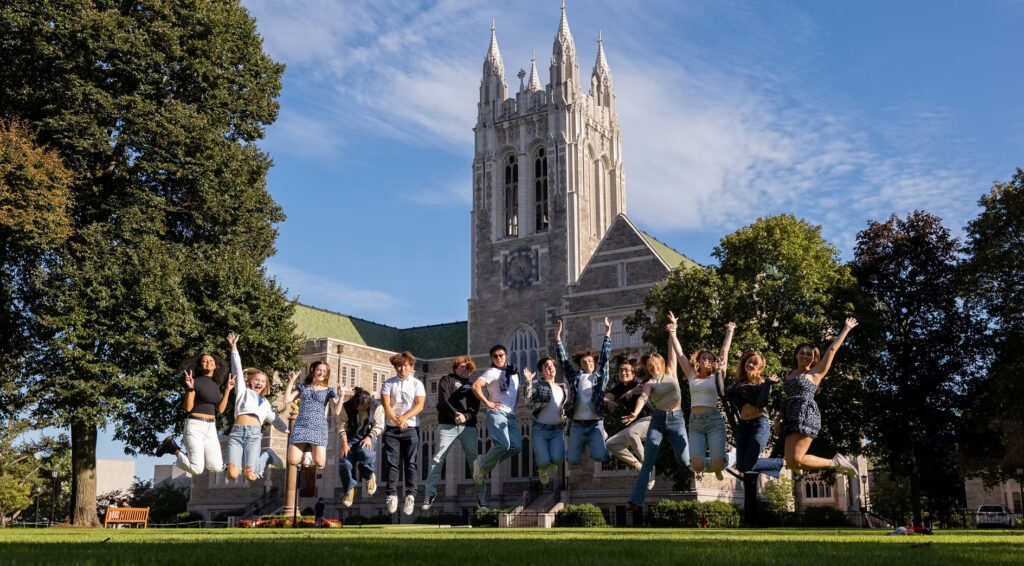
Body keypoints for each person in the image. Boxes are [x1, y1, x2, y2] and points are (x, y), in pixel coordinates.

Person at [622, 318, 693, 510]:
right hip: (658, 421)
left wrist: (672, 330)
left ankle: (720, 462)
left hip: (677, 421)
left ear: (661, 364)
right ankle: (635, 500)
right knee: (648, 461)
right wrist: (635, 413)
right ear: (648, 369)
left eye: (655, 365)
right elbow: (643, 397)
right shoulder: (649, 383)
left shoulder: (671, 371)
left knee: (685, 461)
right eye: (650, 366)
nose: (653, 368)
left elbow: (672, 352)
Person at [782, 317, 859, 477]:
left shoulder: (815, 373)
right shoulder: (789, 374)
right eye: (802, 353)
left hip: (804, 414)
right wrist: (778, 418)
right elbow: (787, 398)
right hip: (789, 416)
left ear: (814, 358)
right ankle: (803, 463)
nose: (805, 356)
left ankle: (835, 462)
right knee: (789, 462)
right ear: (796, 355)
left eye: (809, 354)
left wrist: (846, 329)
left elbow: (832, 350)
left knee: (796, 459)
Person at [666, 315, 737, 480]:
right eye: (703, 357)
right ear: (698, 360)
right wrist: (673, 331)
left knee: (717, 464)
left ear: (713, 362)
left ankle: (731, 456)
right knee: (696, 465)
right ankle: (717, 464)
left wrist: (730, 331)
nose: (706, 360)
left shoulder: (717, 375)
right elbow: (680, 354)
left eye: (710, 358)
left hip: (714, 421)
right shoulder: (691, 373)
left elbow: (724, 352)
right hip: (695, 422)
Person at [156, 346, 234, 476]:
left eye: (211, 360)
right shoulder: (195, 382)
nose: (208, 362)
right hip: (195, 426)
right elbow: (188, 408)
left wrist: (227, 390)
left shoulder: (217, 385)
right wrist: (190, 389)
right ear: (199, 366)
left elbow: (220, 409)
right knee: (197, 469)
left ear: (216, 366)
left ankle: (172, 448)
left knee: (216, 467)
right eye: (204, 361)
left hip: (211, 427)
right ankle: (173, 448)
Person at [422, 356, 484, 510]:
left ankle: (481, 496)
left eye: (468, 368)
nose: (465, 369)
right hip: (447, 425)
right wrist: (456, 414)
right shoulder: (446, 380)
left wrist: (465, 416)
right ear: (456, 367)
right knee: (437, 459)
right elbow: (443, 399)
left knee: (475, 462)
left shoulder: (473, 386)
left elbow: (475, 407)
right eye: (462, 366)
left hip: (468, 427)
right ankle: (430, 493)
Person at [223, 332, 287, 482]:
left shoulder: (265, 404)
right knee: (232, 474)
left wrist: (287, 430)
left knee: (251, 476)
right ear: (251, 382)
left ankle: (268, 456)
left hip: (254, 435)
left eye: (262, 381)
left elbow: (275, 419)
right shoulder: (243, 392)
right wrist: (234, 348)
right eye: (257, 380)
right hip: (237, 433)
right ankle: (230, 467)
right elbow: (237, 369)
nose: (259, 382)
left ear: (265, 385)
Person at [556, 318, 612, 467]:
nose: (588, 364)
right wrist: (558, 339)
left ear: (594, 362)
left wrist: (607, 334)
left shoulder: (600, 377)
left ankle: (601, 436)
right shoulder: (575, 377)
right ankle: (582, 442)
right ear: (580, 365)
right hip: (577, 424)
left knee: (600, 456)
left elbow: (605, 359)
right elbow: (564, 362)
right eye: (584, 362)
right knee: (572, 460)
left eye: (590, 361)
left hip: (595, 423)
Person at [471, 344, 521, 510]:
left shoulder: (514, 373)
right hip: (497, 412)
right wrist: (488, 403)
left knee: (516, 447)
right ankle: (483, 466)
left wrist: (514, 409)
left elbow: (516, 393)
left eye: (501, 355)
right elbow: (476, 386)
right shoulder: (492, 372)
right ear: (491, 358)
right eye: (495, 356)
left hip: (510, 415)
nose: (498, 358)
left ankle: (483, 465)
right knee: (503, 445)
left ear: (506, 356)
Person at [723, 351, 784, 478]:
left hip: (759, 425)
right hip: (743, 426)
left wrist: (767, 385)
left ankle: (784, 462)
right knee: (741, 467)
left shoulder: (763, 383)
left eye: (755, 363)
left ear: (760, 367)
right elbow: (723, 393)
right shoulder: (738, 384)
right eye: (749, 361)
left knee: (748, 463)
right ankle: (779, 463)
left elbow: (761, 404)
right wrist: (718, 373)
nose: (750, 364)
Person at [380, 351, 426, 516]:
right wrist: (396, 420)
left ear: (410, 366)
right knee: (392, 463)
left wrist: (404, 418)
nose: (402, 369)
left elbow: (419, 405)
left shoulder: (417, 384)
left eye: (405, 366)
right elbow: (386, 406)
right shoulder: (388, 384)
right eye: (399, 366)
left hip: (411, 428)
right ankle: (392, 494)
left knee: (410, 463)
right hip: (392, 429)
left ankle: (410, 496)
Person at [603, 356, 656, 489]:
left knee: (633, 433)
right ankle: (638, 465)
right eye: (621, 370)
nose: (623, 373)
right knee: (611, 443)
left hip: (650, 421)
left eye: (626, 370)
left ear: (633, 372)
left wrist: (632, 391)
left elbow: (645, 388)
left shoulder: (637, 382)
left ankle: (648, 467)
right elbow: (605, 397)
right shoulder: (620, 386)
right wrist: (609, 401)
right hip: (634, 425)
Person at [523, 356, 569, 487]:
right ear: (542, 373)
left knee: (559, 459)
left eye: (551, 365)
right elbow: (528, 400)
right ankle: (542, 469)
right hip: (540, 429)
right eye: (546, 366)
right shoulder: (538, 384)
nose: (550, 367)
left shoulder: (563, 387)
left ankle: (553, 462)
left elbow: (564, 407)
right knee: (543, 461)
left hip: (557, 429)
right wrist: (528, 381)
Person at [285, 361, 339, 470]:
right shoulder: (303, 387)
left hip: (318, 426)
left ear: (327, 374)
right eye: (319, 370)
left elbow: (336, 411)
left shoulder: (329, 391)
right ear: (313, 371)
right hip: (301, 425)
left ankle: (309, 450)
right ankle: (307, 449)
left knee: (320, 463)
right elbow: (287, 400)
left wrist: (341, 396)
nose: (321, 373)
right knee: (292, 460)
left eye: (324, 371)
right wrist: (291, 381)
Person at [339, 387, 383, 507]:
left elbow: (379, 425)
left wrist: (370, 437)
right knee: (344, 462)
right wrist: (344, 443)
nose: (360, 409)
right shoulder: (346, 407)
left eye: (363, 408)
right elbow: (341, 425)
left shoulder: (376, 406)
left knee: (364, 451)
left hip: (368, 435)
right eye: (358, 407)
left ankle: (369, 476)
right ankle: (350, 489)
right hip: (351, 438)